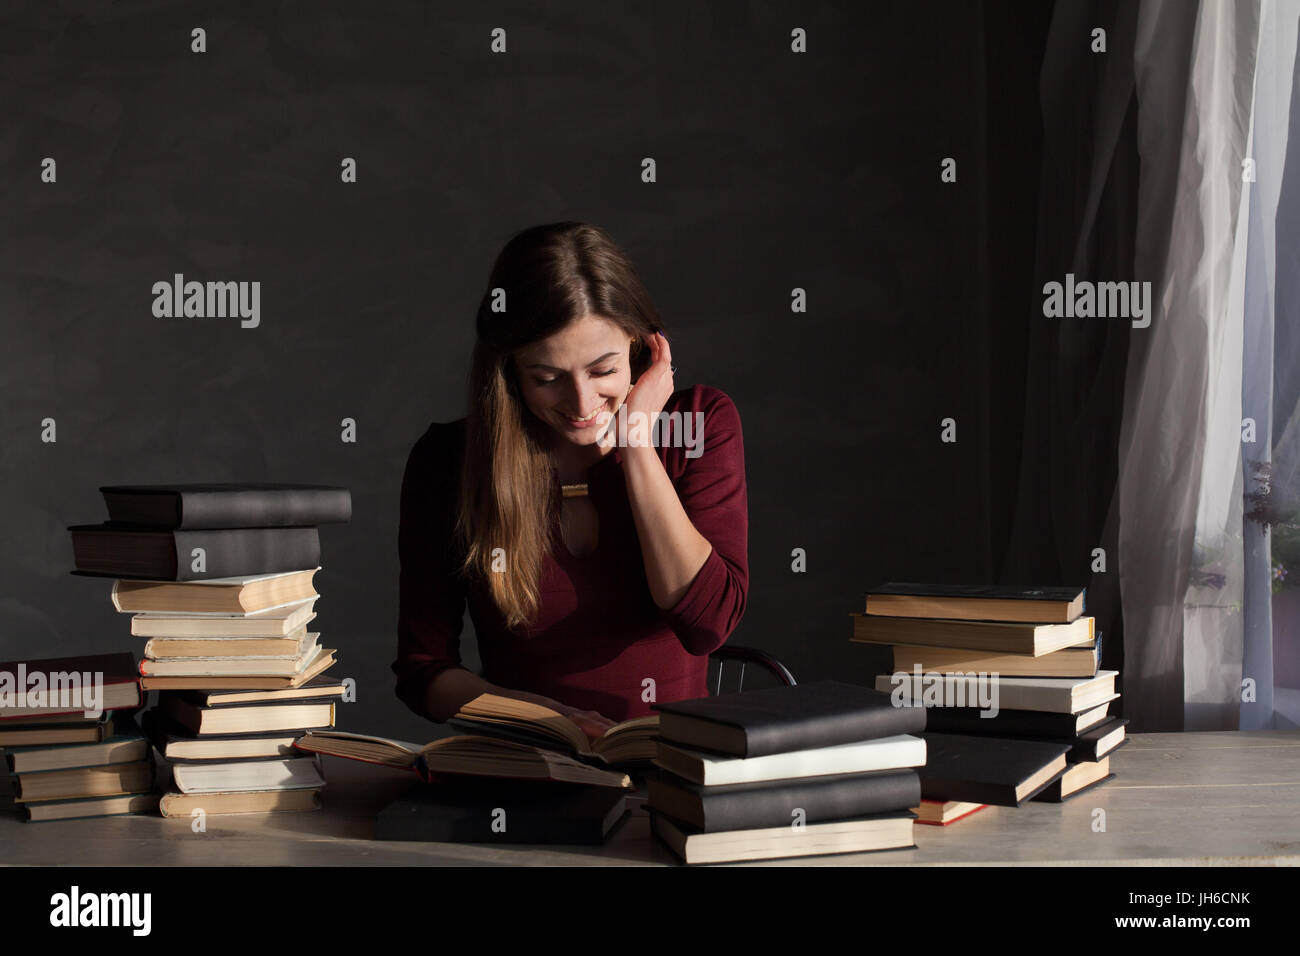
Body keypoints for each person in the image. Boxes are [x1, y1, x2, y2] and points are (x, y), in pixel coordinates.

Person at [392, 221, 749, 743]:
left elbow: (708, 625)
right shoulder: (449, 460)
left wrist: (636, 444)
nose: (582, 405)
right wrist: (545, 719)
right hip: (526, 767)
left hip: (669, 773)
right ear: (509, 370)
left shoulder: (700, 424)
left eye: (602, 370)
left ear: (638, 341)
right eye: (547, 378)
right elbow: (423, 669)